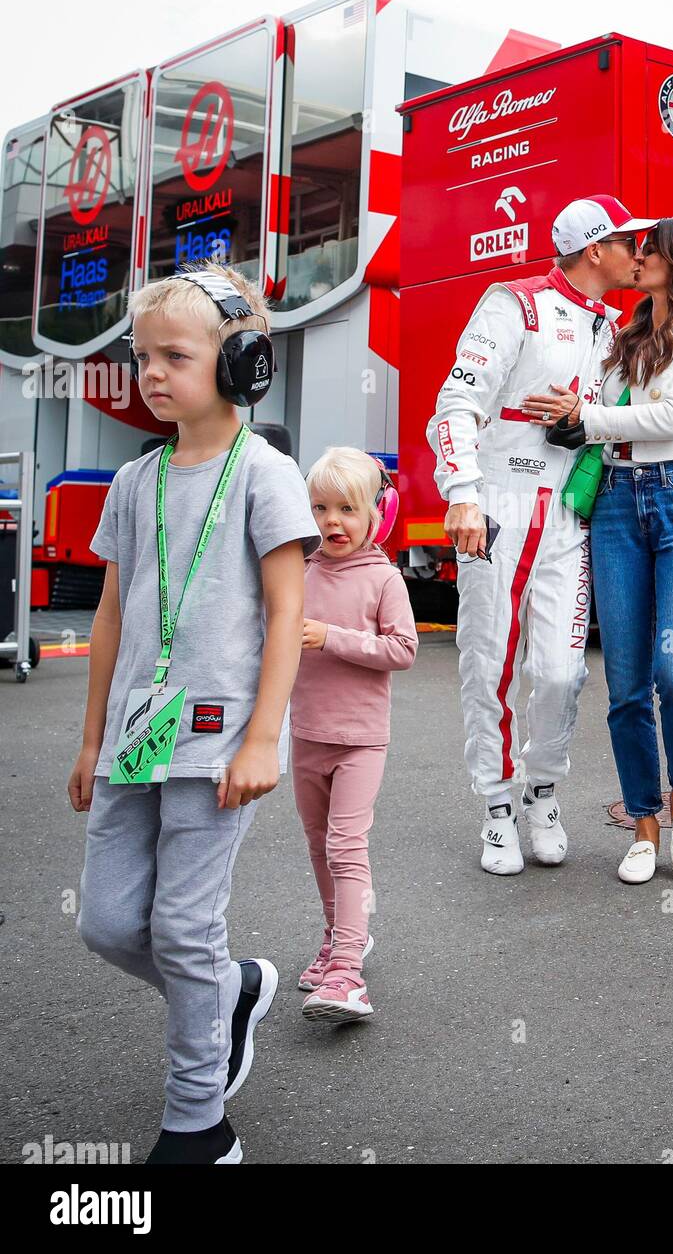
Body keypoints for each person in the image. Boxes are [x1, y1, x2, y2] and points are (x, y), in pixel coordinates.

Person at [67, 261, 322, 1164]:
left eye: (174, 355)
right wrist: (93, 736)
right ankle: (231, 990)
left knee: (180, 927)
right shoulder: (134, 482)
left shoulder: (267, 473)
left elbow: (289, 611)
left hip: (223, 737)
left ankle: (197, 1124)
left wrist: (263, 736)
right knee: (106, 923)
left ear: (244, 361)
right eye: (142, 357)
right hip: (137, 732)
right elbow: (110, 614)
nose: (152, 373)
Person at [427, 195, 673, 876]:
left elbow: (661, 407)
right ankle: (497, 808)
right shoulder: (514, 303)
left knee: (563, 674)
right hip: (501, 506)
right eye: (630, 240)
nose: (639, 251)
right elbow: (455, 403)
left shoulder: (616, 329)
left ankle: (542, 794)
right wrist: (464, 495)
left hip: (574, 512)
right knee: (489, 664)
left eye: (647, 244)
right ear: (599, 249)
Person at [523, 219, 673, 884]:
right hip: (615, 501)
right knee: (626, 683)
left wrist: (590, 420)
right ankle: (643, 827)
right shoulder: (622, 332)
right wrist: (571, 411)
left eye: (649, 250)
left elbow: (672, 418)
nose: (635, 258)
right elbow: (616, 406)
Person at [290, 446, 418, 1021]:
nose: (332, 521)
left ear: (376, 513)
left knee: (346, 847)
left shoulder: (384, 579)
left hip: (361, 738)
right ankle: (339, 937)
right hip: (305, 735)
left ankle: (347, 973)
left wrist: (332, 637)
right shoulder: (301, 570)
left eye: (347, 508)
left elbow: (404, 650)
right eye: (321, 508)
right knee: (318, 846)